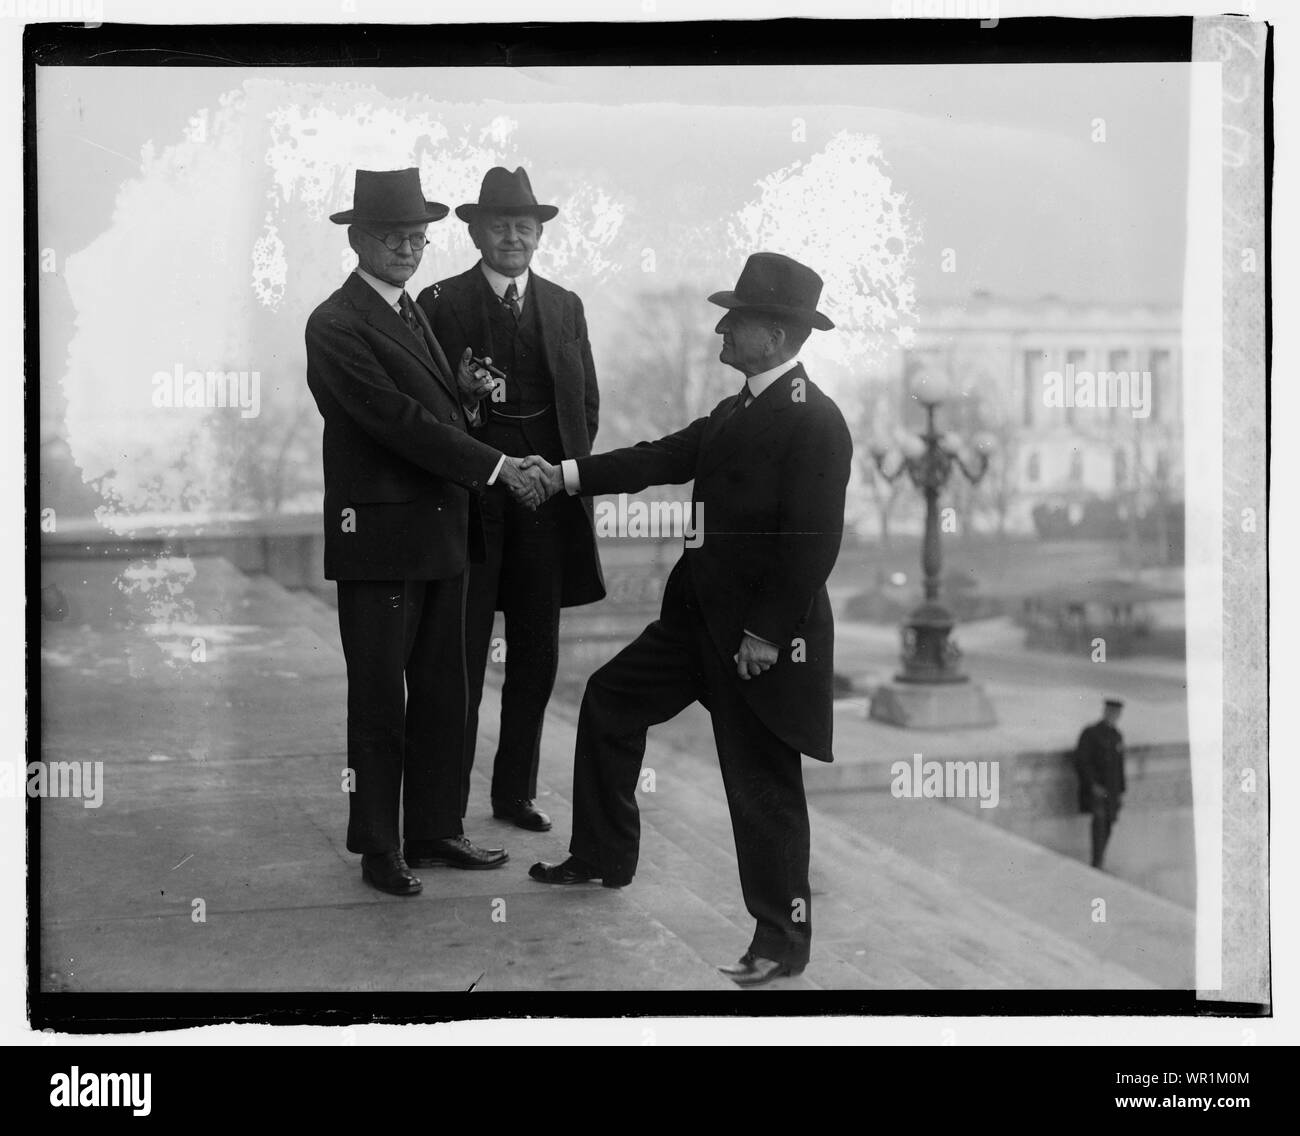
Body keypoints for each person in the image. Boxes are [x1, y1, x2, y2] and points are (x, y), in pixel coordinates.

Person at [524, 252, 852, 987]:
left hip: (755, 641)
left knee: (762, 785)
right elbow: (658, 458)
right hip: (695, 625)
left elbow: (812, 544)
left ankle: (780, 942)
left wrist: (767, 635)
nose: (721, 332)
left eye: (734, 321)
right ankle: (603, 855)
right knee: (609, 701)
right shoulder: (739, 410)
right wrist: (564, 474)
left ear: (774, 334)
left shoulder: (816, 422)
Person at [304, 167, 546, 896]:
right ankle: (380, 847)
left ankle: (436, 831)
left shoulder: (410, 312)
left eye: (416, 237)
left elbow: (432, 418)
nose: (407, 249)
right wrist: (498, 463)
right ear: (358, 239)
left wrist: (466, 402)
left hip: (442, 535)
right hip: (381, 544)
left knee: (446, 692)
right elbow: (395, 423)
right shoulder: (335, 323)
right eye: (391, 237)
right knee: (380, 699)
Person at [416, 167, 605, 834]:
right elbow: (427, 411)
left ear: (540, 234)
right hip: (471, 502)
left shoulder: (565, 305)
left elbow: (584, 407)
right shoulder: (438, 299)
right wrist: (475, 416)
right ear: (474, 230)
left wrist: (551, 475)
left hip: (544, 507)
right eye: (499, 225)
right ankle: (446, 809)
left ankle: (514, 793)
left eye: (525, 227)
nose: (513, 237)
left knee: (536, 653)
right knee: (461, 655)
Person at [1074, 697, 1127, 870]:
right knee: (1099, 823)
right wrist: (1092, 784)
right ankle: (1097, 862)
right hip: (1097, 789)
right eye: (1110, 712)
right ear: (1105, 712)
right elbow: (1082, 761)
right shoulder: (1091, 733)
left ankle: (1100, 858)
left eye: (1116, 713)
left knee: (1109, 824)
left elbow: (1119, 766)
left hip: (1111, 791)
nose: (1113, 715)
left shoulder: (1117, 736)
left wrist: (1121, 791)